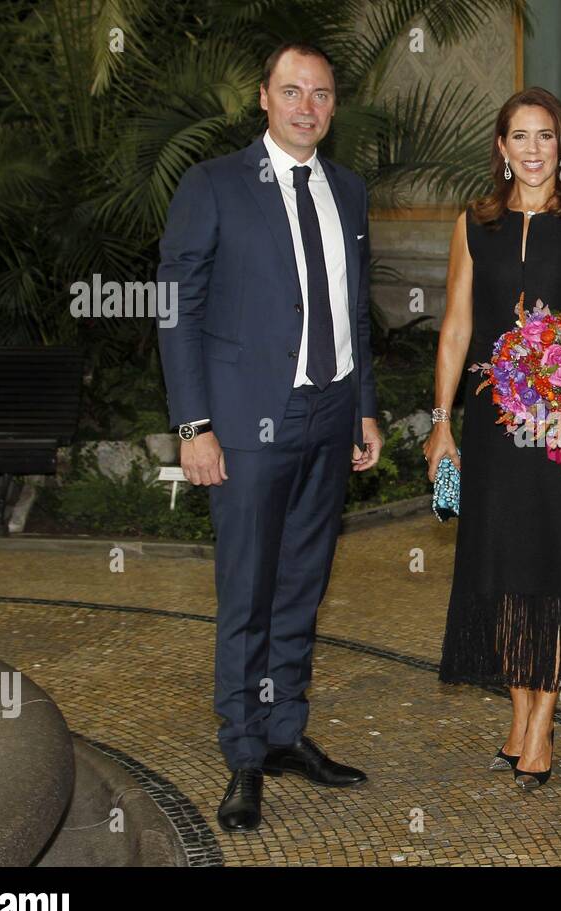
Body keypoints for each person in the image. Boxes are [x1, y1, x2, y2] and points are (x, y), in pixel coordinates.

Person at [157, 42, 381, 832]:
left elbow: (354, 310)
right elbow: (177, 308)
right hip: (247, 425)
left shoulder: (348, 191)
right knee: (246, 592)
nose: (306, 106)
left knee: (301, 588)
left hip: (329, 418)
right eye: (292, 91)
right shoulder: (214, 184)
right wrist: (194, 426)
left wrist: (366, 408)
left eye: (320, 94)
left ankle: (287, 731)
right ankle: (244, 752)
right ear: (263, 98)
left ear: (332, 105)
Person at [425, 87, 561, 790]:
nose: (534, 149)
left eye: (546, 136)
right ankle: (520, 713)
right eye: (521, 136)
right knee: (504, 571)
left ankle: (542, 726)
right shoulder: (473, 225)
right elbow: (455, 326)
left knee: (556, 570)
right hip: (492, 431)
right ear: (503, 148)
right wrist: (440, 422)